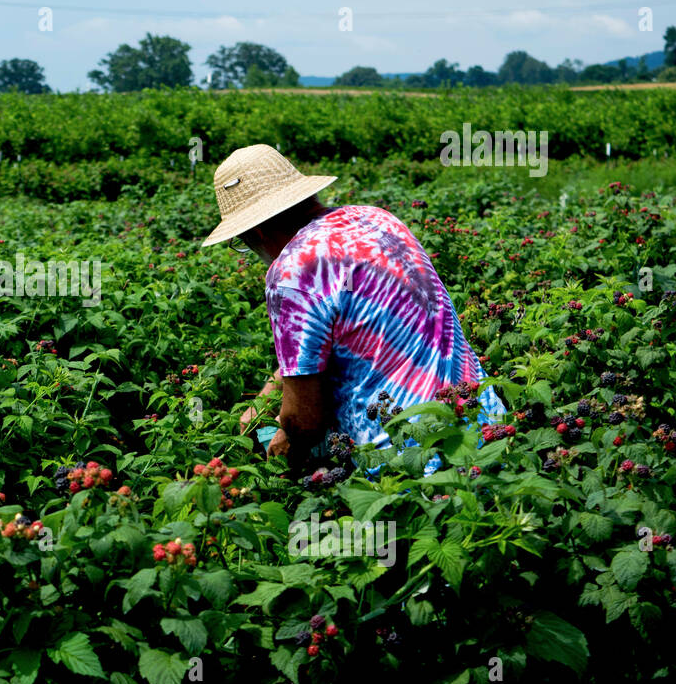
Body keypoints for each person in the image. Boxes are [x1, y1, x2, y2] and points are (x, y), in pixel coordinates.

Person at [201, 144, 504, 468]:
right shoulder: (376, 219)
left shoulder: (289, 272)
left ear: (256, 232)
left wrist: (283, 436)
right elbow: (325, 338)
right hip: (489, 434)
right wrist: (264, 401)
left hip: (418, 467)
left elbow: (305, 422)